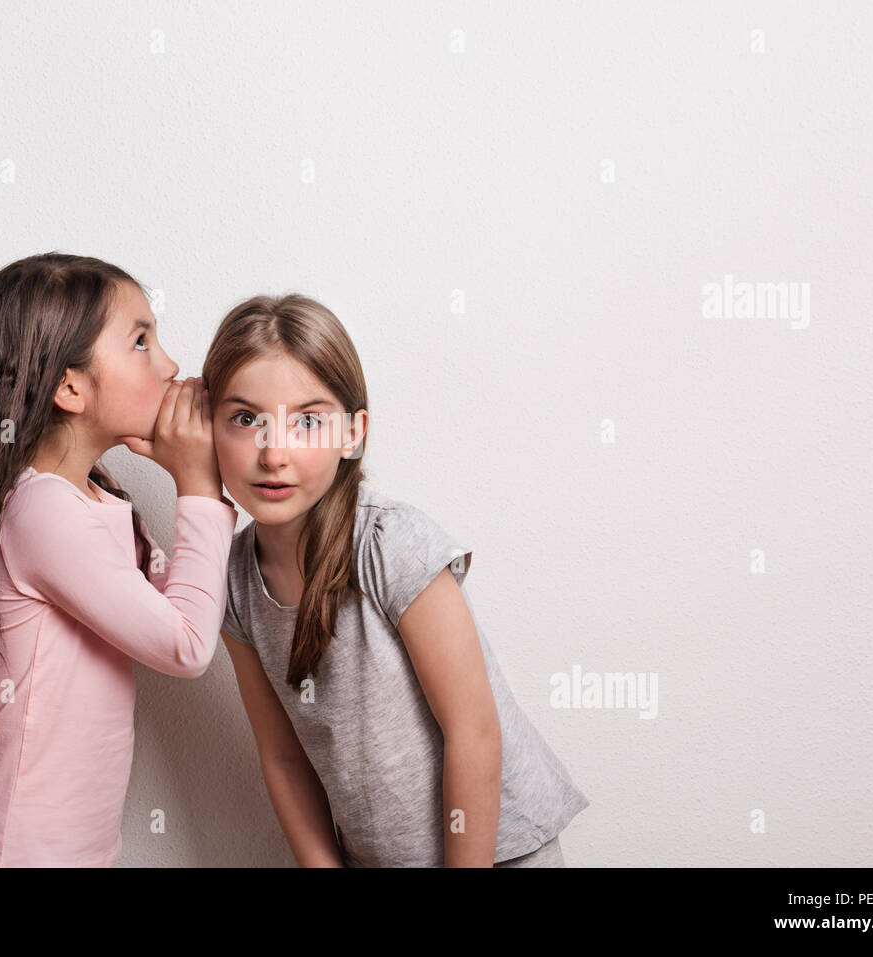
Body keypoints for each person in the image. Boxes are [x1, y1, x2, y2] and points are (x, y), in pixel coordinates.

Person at [206, 293, 589, 867]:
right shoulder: (233, 583)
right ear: (204, 426)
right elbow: (283, 756)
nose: (273, 452)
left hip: (499, 854)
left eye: (307, 421)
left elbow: (474, 732)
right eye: (244, 419)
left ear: (352, 434)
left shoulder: (390, 544)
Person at [0, 252, 237, 866]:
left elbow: (173, 603)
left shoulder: (93, 495)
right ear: (69, 386)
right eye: (141, 342)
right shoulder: (42, 510)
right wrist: (200, 489)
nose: (172, 364)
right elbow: (186, 645)